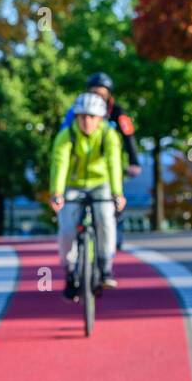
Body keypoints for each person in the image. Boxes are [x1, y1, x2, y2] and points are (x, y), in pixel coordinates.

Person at [49, 91, 125, 295]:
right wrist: (57, 192)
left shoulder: (109, 135)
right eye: (82, 116)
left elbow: (114, 164)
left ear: (100, 118)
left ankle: (105, 267)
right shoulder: (66, 136)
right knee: (66, 229)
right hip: (73, 185)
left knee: (106, 220)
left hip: (101, 184)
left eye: (91, 117)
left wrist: (117, 193)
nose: (86, 121)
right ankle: (71, 271)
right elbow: (59, 164)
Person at [61, 72, 142, 251]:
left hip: (111, 166)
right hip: (80, 169)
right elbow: (64, 134)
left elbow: (129, 136)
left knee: (111, 204)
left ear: (109, 95)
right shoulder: (77, 111)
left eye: (102, 94)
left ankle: (113, 240)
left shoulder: (118, 112)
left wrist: (134, 161)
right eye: (94, 93)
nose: (98, 97)